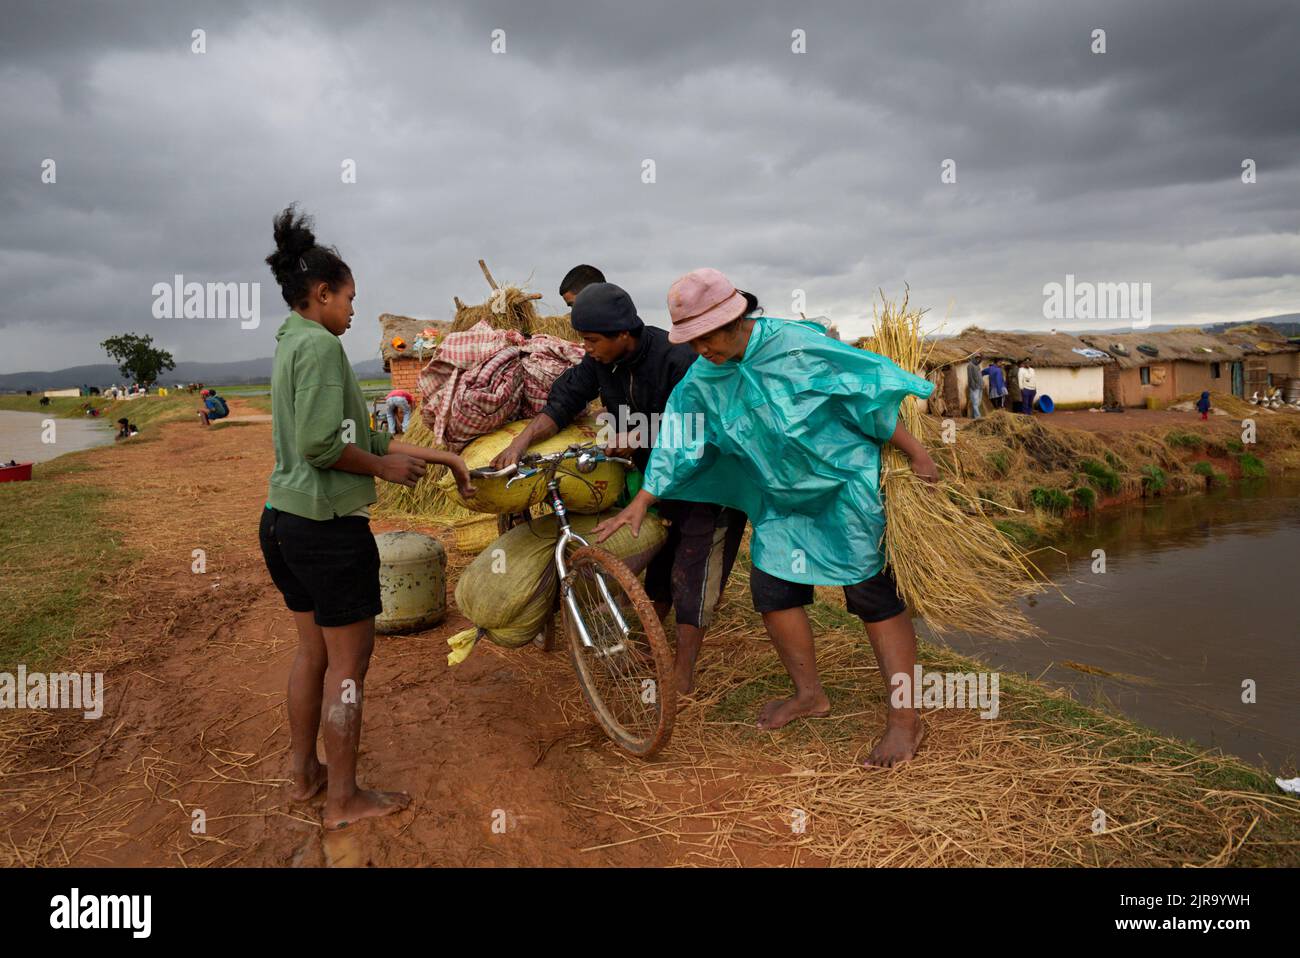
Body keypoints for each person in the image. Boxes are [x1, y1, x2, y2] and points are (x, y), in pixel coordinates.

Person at [593, 268, 939, 767]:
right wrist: (644, 499)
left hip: (843, 488)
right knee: (774, 592)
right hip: (780, 501)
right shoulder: (701, 379)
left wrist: (916, 452)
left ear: (737, 317)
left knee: (872, 597)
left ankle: (905, 722)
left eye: (708, 335)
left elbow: (864, 392)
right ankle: (809, 695)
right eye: (692, 340)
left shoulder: (796, 346)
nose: (702, 348)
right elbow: (678, 440)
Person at [258, 205, 476, 830]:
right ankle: (345, 799)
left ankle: (304, 777)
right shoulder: (324, 350)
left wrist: (442, 456)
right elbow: (324, 446)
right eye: (350, 297)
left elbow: (365, 437)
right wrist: (383, 474)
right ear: (322, 293)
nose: (355, 311)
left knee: (312, 655)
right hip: (328, 532)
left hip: (282, 522)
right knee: (348, 666)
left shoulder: (289, 341)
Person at [489, 281, 747, 695]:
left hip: (709, 483)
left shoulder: (678, 358)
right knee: (664, 563)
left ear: (623, 334)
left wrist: (639, 438)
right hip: (658, 483)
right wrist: (521, 442)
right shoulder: (600, 364)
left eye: (591, 340)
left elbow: (707, 426)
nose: (586, 348)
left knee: (694, 570)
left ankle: (683, 671)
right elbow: (564, 402)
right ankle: (648, 645)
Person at [966, 353, 984, 419]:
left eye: (979, 358)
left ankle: (974, 416)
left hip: (980, 386)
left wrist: (982, 384)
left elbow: (980, 376)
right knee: (975, 402)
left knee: (978, 402)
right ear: (974, 358)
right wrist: (973, 386)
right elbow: (970, 377)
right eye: (976, 358)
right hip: (975, 387)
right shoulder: (970, 365)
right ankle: (978, 417)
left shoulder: (978, 366)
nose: (978, 359)